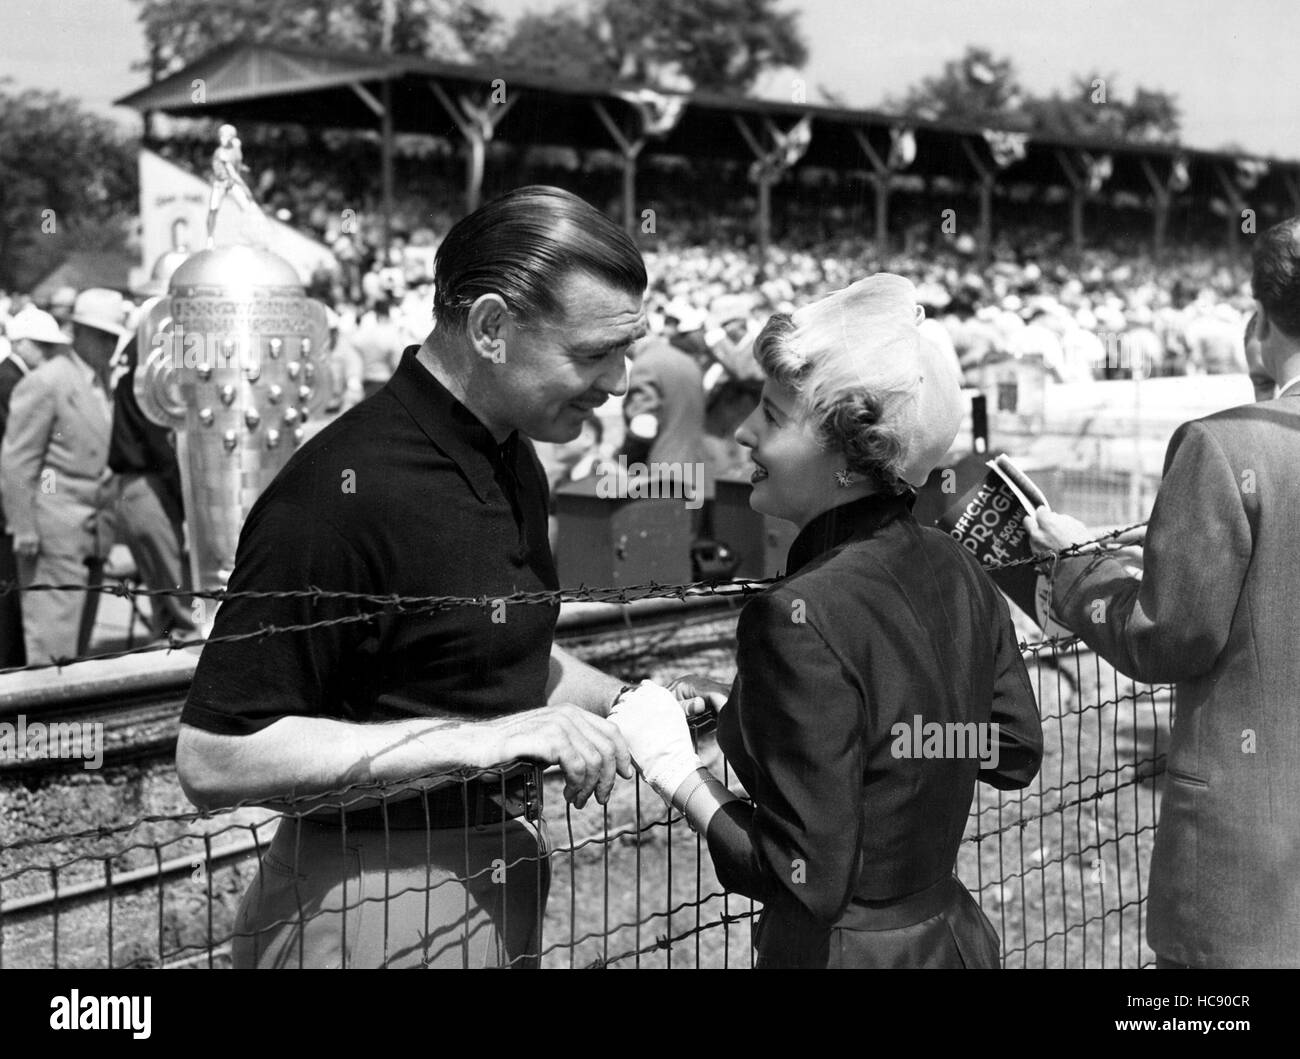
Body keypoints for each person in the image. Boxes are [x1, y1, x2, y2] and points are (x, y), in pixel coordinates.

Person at [177, 186, 684, 969]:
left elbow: (484, 657)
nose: (618, 381)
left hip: (483, 885)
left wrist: (625, 703)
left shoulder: (513, 454)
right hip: (363, 905)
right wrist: (492, 742)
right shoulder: (340, 487)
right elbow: (214, 756)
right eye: (592, 353)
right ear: (489, 327)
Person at [609, 275, 1043, 968]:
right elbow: (1011, 747)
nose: (744, 432)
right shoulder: (954, 562)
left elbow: (804, 875)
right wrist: (882, 733)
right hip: (952, 940)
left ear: (849, 458)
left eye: (774, 417)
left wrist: (676, 771)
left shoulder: (793, 616)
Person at [1025, 216, 1300, 968]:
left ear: (1261, 313)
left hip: (1248, 867)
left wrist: (1076, 565)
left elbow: (1167, 632)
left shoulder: (1225, 444)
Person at [1, 290, 127, 664]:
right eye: (99, 335)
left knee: (77, 648)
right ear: (79, 333)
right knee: (53, 648)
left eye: (113, 336)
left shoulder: (102, 382)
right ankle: (45, 722)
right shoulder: (48, 381)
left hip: (93, 530)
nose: (108, 345)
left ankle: (67, 718)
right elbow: (18, 459)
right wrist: (23, 527)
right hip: (53, 530)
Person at [0, 306, 63, 666]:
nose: (47, 353)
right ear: (21, 343)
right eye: (41, 345)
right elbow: (22, 451)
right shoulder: (13, 381)